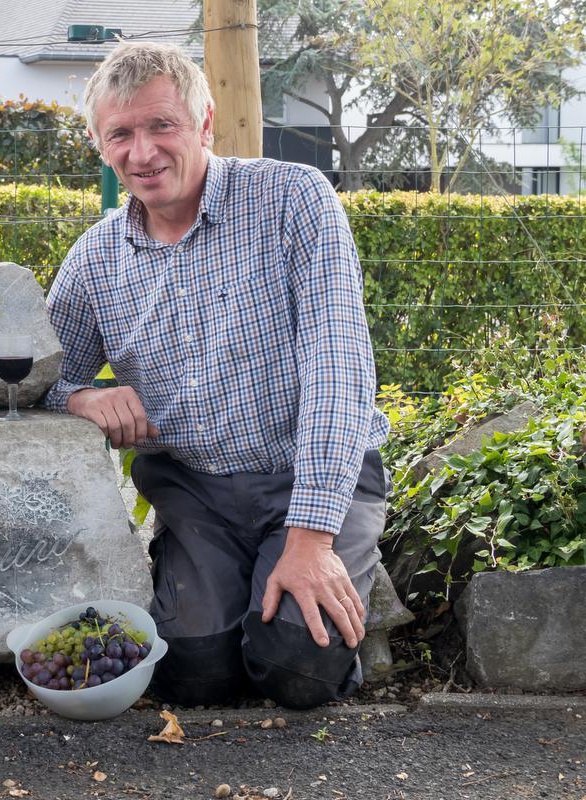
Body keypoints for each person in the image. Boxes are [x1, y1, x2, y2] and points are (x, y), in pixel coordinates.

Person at [44, 42, 390, 710]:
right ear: (98, 143)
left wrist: (312, 537)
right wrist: (81, 398)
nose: (141, 153)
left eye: (161, 126)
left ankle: (347, 570)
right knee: (196, 674)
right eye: (120, 134)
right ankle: (242, 587)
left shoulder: (294, 200)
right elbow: (42, 383)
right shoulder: (94, 260)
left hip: (311, 477)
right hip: (199, 494)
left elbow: (338, 368)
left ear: (204, 125)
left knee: (297, 668)